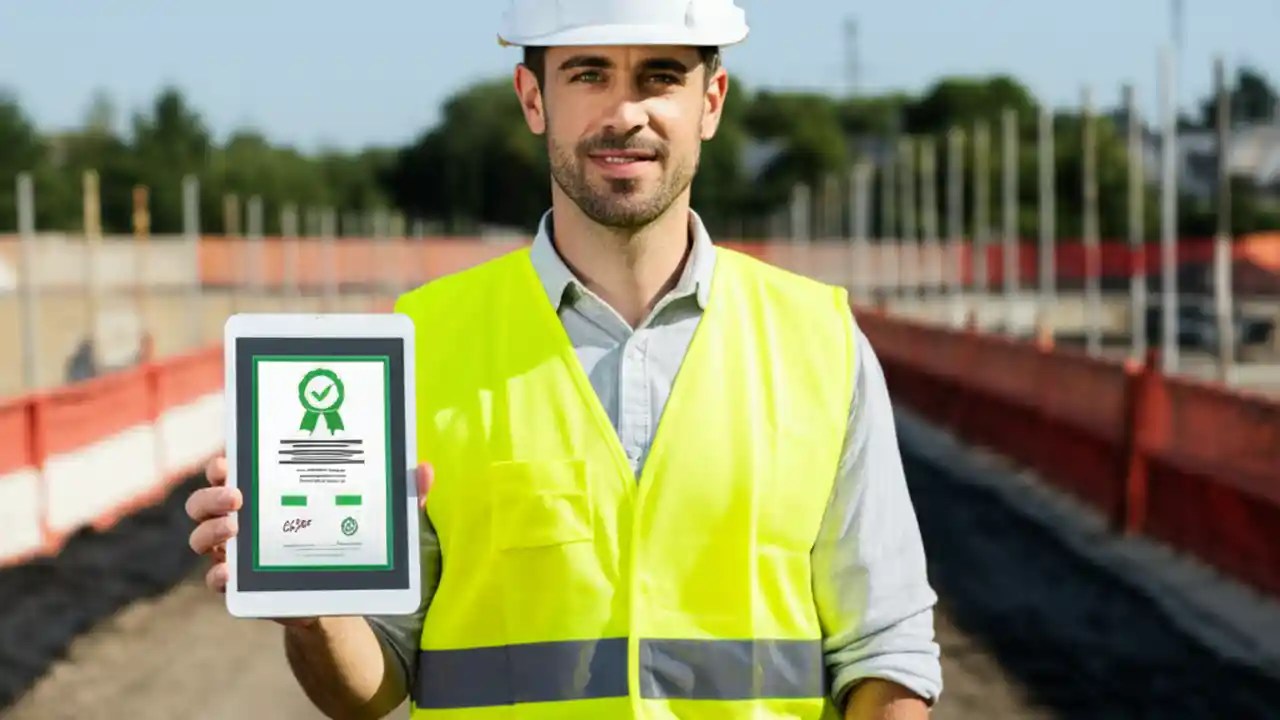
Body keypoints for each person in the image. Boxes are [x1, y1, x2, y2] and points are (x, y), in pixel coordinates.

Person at [186, 1, 943, 717]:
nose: (625, 113)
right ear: (532, 97)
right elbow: (369, 690)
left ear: (711, 102)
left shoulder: (820, 340)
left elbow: (888, 650)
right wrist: (314, 614)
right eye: (588, 74)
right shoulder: (418, 346)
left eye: (660, 76)